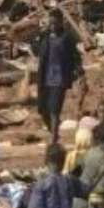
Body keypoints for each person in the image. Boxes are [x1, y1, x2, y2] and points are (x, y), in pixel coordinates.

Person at [37, 8, 82, 143]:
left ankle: (54, 137)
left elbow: (75, 56)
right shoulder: (45, 37)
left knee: (54, 108)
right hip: (45, 76)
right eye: (51, 23)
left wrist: (79, 71)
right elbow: (37, 51)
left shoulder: (66, 37)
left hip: (60, 77)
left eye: (55, 23)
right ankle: (53, 131)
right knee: (42, 108)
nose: (53, 26)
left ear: (61, 22)